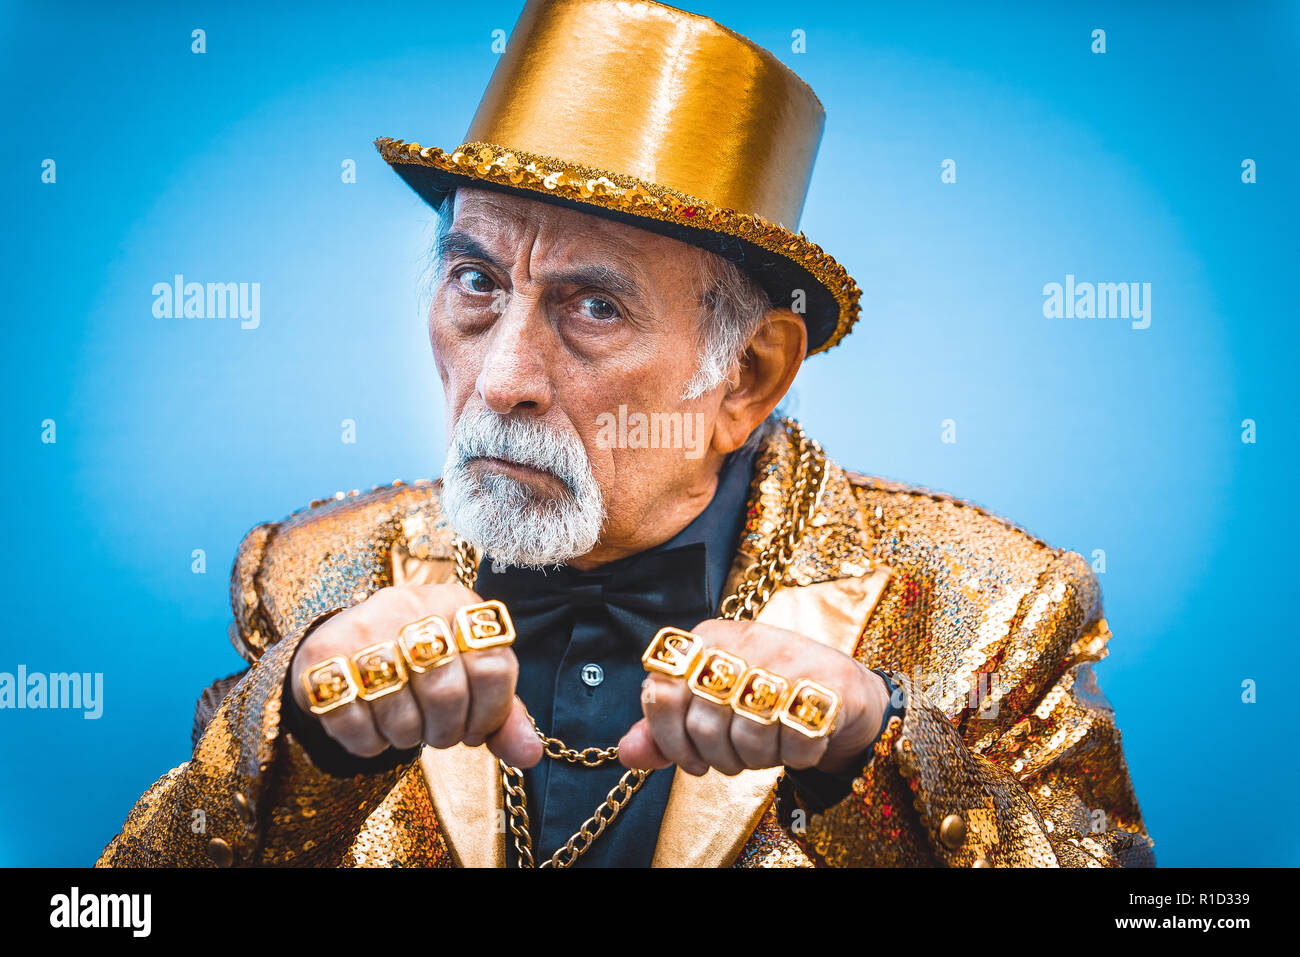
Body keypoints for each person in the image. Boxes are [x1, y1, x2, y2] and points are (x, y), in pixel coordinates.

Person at [96, 0, 1154, 868]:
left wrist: (879, 751)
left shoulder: (999, 611)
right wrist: (296, 738)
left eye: (591, 306)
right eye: (475, 280)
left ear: (748, 373)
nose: (502, 379)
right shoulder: (310, 580)